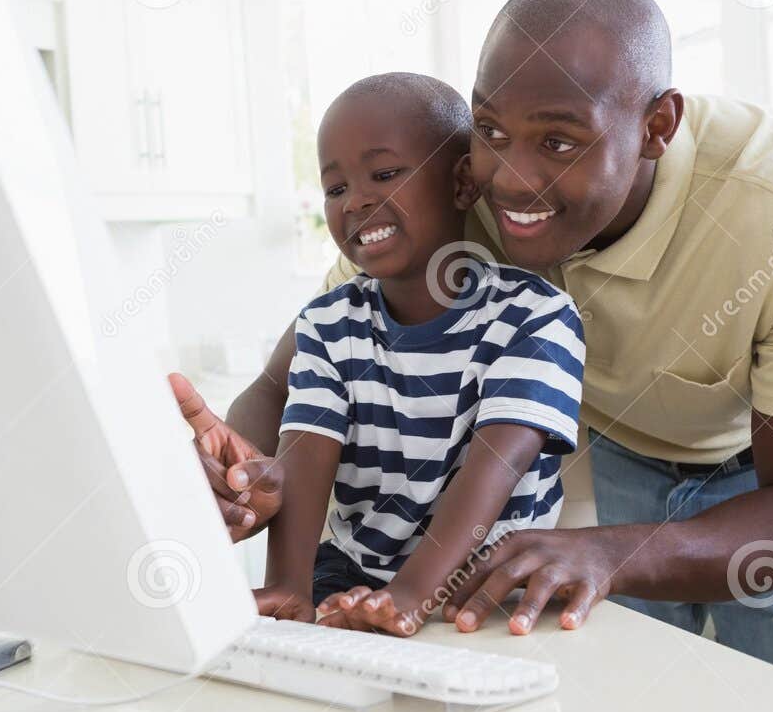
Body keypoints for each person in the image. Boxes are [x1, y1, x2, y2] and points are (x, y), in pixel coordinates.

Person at [172, 0, 773, 709]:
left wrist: (612, 552)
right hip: (617, 462)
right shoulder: (453, 190)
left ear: (657, 127)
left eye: (559, 140)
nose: (512, 180)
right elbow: (293, 372)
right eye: (490, 131)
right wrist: (246, 467)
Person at [220, 72, 585, 636]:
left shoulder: (537, 316)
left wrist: (411, 595)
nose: (357, 200)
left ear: (462, 183)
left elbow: (499, 467)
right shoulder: (327, 322)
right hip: (353, 575)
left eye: (385, 175)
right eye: (336, 189)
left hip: (489, 587)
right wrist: (291, 587)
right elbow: (306, 455)